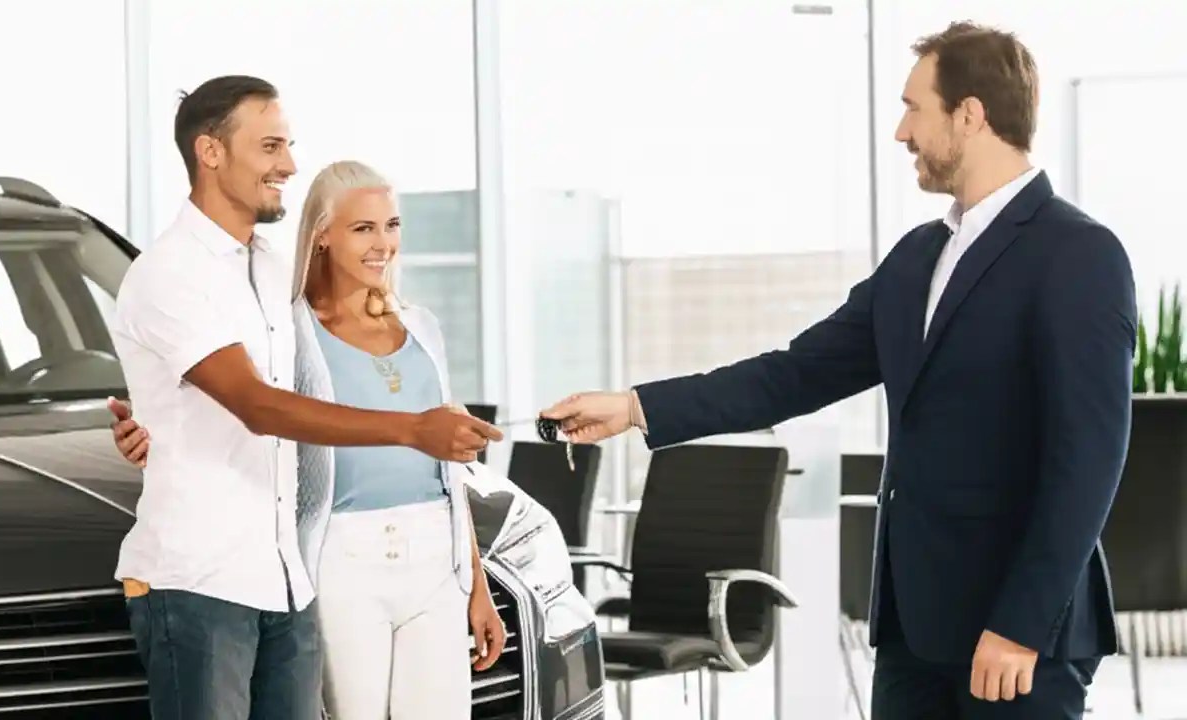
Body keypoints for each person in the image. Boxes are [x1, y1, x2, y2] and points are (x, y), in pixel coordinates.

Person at [543, 21, 1135, 720]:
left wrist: (1020, 624)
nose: (900, 132)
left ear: (970, 114)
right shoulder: (919, 256)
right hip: (915, 629)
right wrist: (637, 406)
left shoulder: (1078, 254)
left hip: (1015, 631)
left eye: (915, 108)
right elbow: (794, 374)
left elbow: (1087, 462)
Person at [108, 76, 502, 720]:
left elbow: (298, 390)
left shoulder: (267, 268)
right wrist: (410, 430)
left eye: (289, 147)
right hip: (200, 582)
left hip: (286, 577)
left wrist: (147, 425)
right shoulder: (168, 273)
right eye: (270, 147)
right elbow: (258, 406)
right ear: (210, 153)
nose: (289, 164)